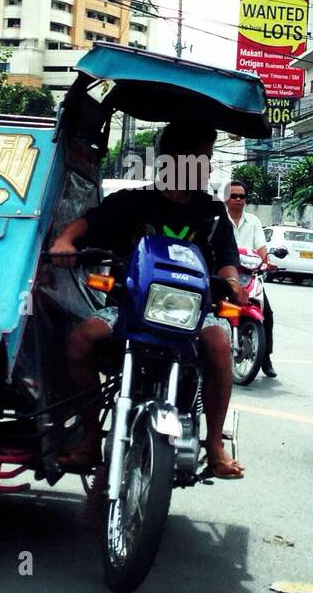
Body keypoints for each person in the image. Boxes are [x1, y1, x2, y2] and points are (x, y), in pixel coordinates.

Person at [48, 119, 246, 479]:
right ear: (172, 160)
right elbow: (87, 223)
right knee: (81, 339)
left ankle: (214, 444)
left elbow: (228, 261)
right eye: (201, 157)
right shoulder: (130, 203)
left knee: (219, 342)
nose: (206, 166)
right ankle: (90, 438)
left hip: (194, 315)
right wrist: (66, 241)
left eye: (207, 158)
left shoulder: (213, 214)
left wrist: (232, 283)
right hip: (129, 309)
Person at [223, 180, 276, 378]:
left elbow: (261, 246)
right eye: (234, 196)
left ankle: (265, 358)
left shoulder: (253, 221)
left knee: (268, 313)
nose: (238, 199)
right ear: (226, 199)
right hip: (224, 275)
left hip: (248, 276)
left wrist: (267, 261)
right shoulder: (220, 219)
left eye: (242, 196)